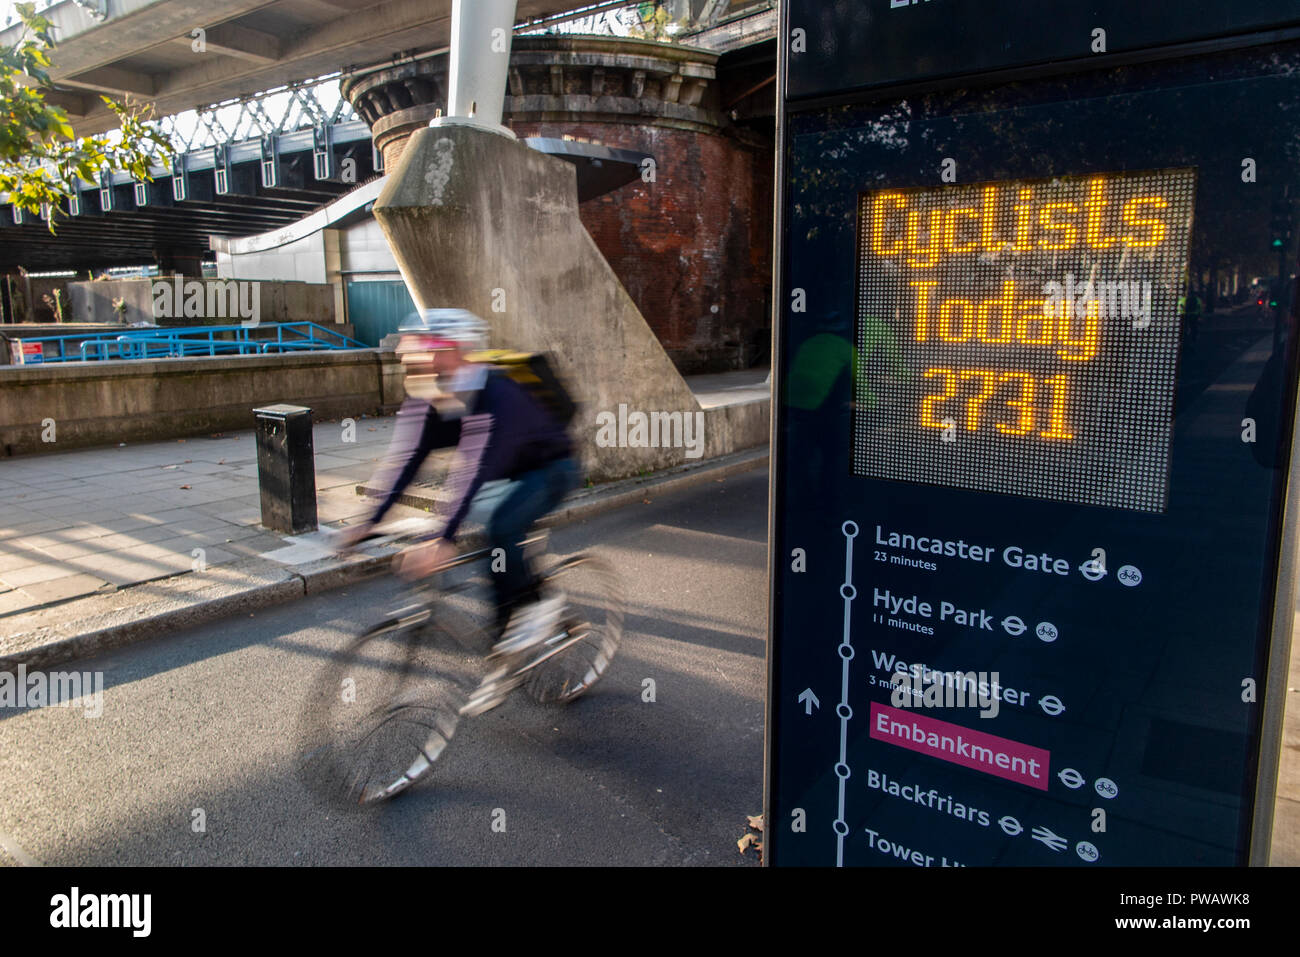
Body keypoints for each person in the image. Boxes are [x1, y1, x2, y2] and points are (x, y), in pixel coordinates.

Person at [338, 308, 579, 691]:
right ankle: (507, 646)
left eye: (425, 348)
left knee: (502, 526)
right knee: (489, 542)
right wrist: (369, 521)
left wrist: (443, 538)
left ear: (456, 350)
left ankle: (539, 607)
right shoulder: (428, 397)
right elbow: (407, 462)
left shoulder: (498, 393)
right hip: (503, 471)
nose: (413, 356)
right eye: (412, 348)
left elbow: (477, 468)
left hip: (550, 468)